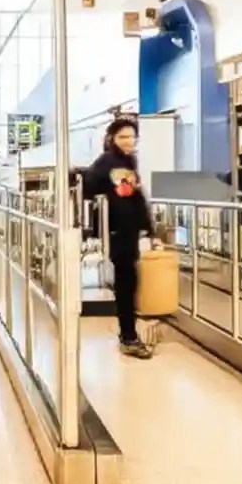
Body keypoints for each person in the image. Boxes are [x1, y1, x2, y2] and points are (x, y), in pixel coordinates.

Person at [84, 116, 156, 360]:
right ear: (112, 139)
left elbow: (136, 198)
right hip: (117, 232)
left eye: (132, 137)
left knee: (129, 282)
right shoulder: (106, 162)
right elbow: (87, 187)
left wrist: (149, 229)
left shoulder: (129, 162)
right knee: (126, 284)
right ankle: (128, 337)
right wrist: (99, 222)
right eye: (123, 136)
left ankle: (128, 333)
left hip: (129, 232)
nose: (129, 141)